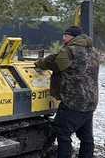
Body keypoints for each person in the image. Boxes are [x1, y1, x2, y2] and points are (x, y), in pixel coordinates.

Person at [35, 26, 99, 158]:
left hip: (73, 100)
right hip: (90, 100)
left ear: (74, 37)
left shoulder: (70, 51)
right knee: (86, 136)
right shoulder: (93, 51)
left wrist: (39, 63)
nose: (63, 38)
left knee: (62, 132)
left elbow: (55, 64)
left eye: (66, 35)